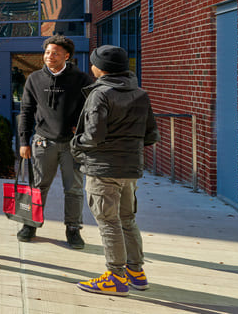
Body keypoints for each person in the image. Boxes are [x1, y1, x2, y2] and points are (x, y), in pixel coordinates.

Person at [72, 45, 158, 296]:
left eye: (93, 63)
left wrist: (74, 143)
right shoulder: (140, 93)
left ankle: (115, 276)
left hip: (103, 167)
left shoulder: (100, 94)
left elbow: (94, 135)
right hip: (130, 168)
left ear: (101, 68)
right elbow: (151, 135)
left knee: (108, 222)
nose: (91, 67)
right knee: (127, 220)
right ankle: (136, 272)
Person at [16, 35, 95, 248]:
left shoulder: (82, 79)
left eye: (55, 53)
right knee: (38, 186)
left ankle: (73, 229)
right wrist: (24, 141)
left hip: (72, 144)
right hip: (43, 142)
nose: (49, 56)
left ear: (66, 56)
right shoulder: (34, 79)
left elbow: (94, 109)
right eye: (47, 52)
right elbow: (26, 111)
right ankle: (30, 224)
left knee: (74, 189)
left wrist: (81, 129)